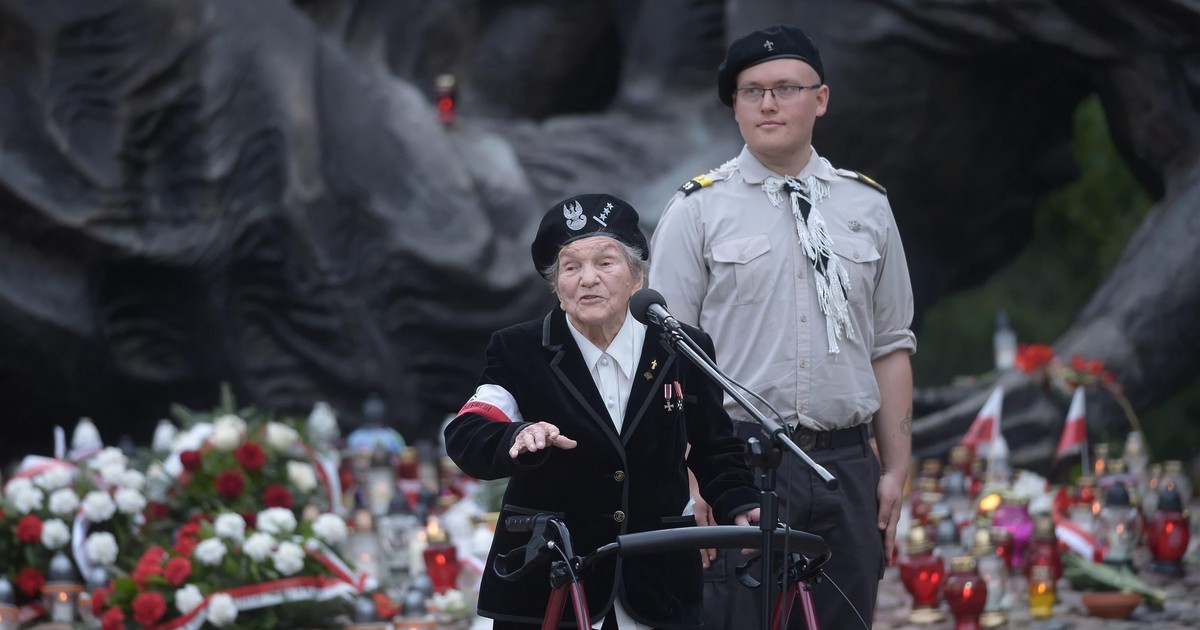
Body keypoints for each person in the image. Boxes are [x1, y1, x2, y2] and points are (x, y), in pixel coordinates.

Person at [648, 24, 917, 630]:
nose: (768, 104)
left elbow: (891, 347)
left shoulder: (867, 207)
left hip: (846, 467)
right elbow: (668, 361)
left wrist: (895, 469)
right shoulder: (697, 210)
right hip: (737, 468)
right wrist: (693, 478)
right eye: (752, 92)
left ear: (820, 99)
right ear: (734, 107)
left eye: (786, 88)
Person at [444, 193, 761, 630]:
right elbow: (468, 430)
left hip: (657, 580)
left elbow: (714, 445)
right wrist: (514, 437)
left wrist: (739, 500)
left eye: (605, 263)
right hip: (552, 581)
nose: (587, 279)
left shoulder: (679, 346)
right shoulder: (519, 349)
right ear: (556, 286)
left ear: (637, 275)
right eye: (570, 267)